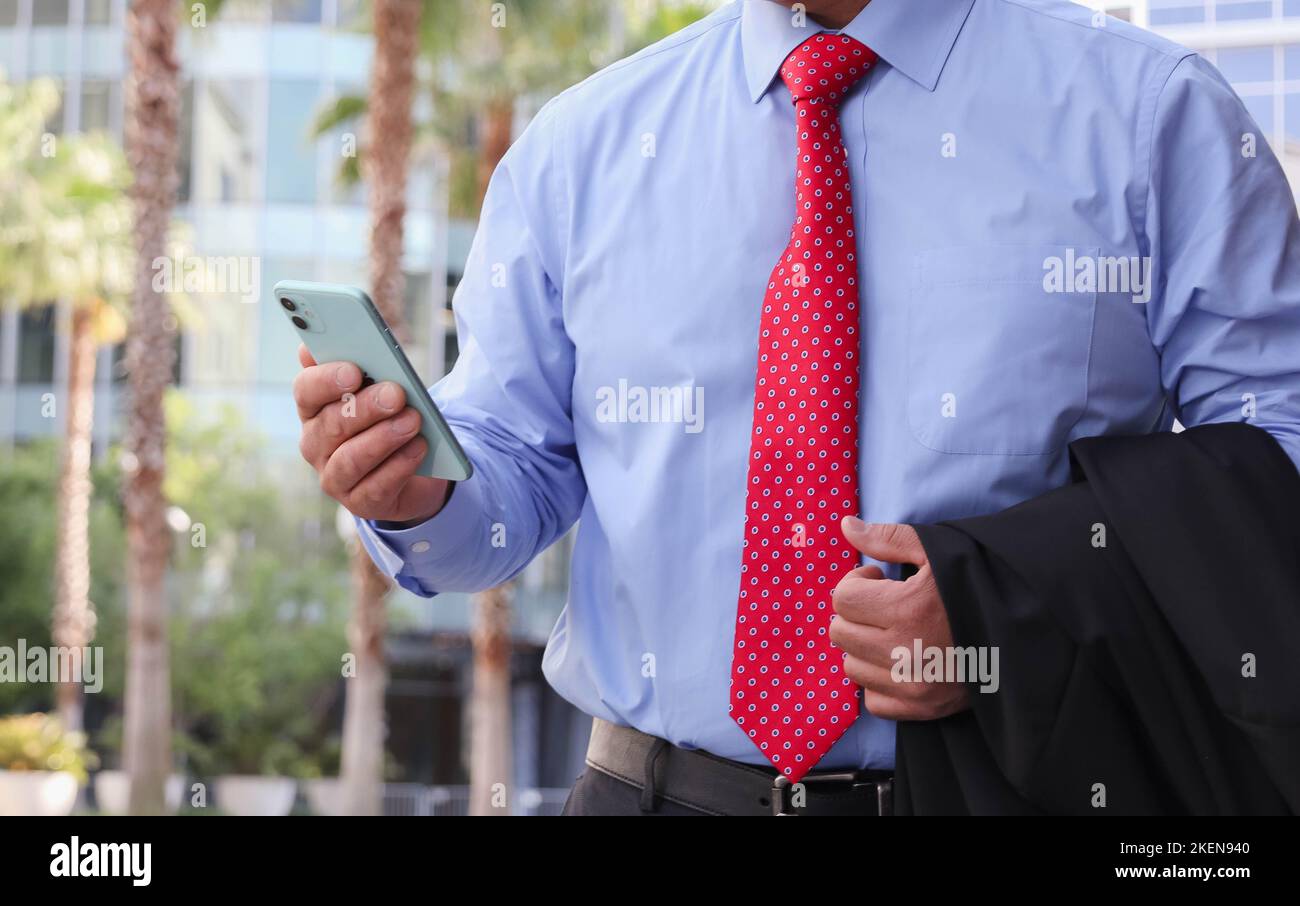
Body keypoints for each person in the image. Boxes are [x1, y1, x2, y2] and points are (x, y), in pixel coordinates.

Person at [291, 0, 1300, 815]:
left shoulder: (1149, 115)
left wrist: (1018, 604)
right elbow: (507, 483)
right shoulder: (580, 150)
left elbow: (1276, 464)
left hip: (1008, 785)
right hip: (646, 795)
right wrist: (418, 493)